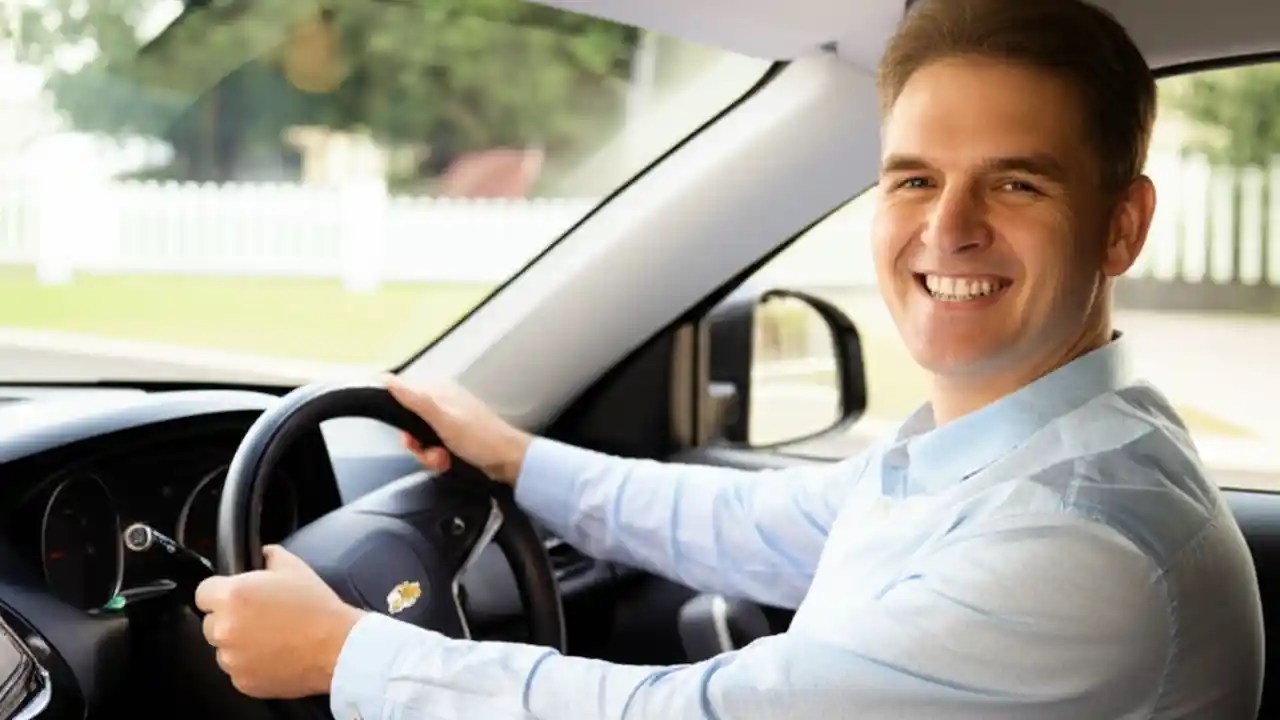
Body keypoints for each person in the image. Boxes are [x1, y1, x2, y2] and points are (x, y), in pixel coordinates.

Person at [193, 0, 1266, 717]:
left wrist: (348, 656)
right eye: (912, 179)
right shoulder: (1024, 450)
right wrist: (517, 458)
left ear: (1121, 226)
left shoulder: (1080, 541)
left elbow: (711, 712)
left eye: (1015, 183)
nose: (948, 228)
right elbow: (762, 523)